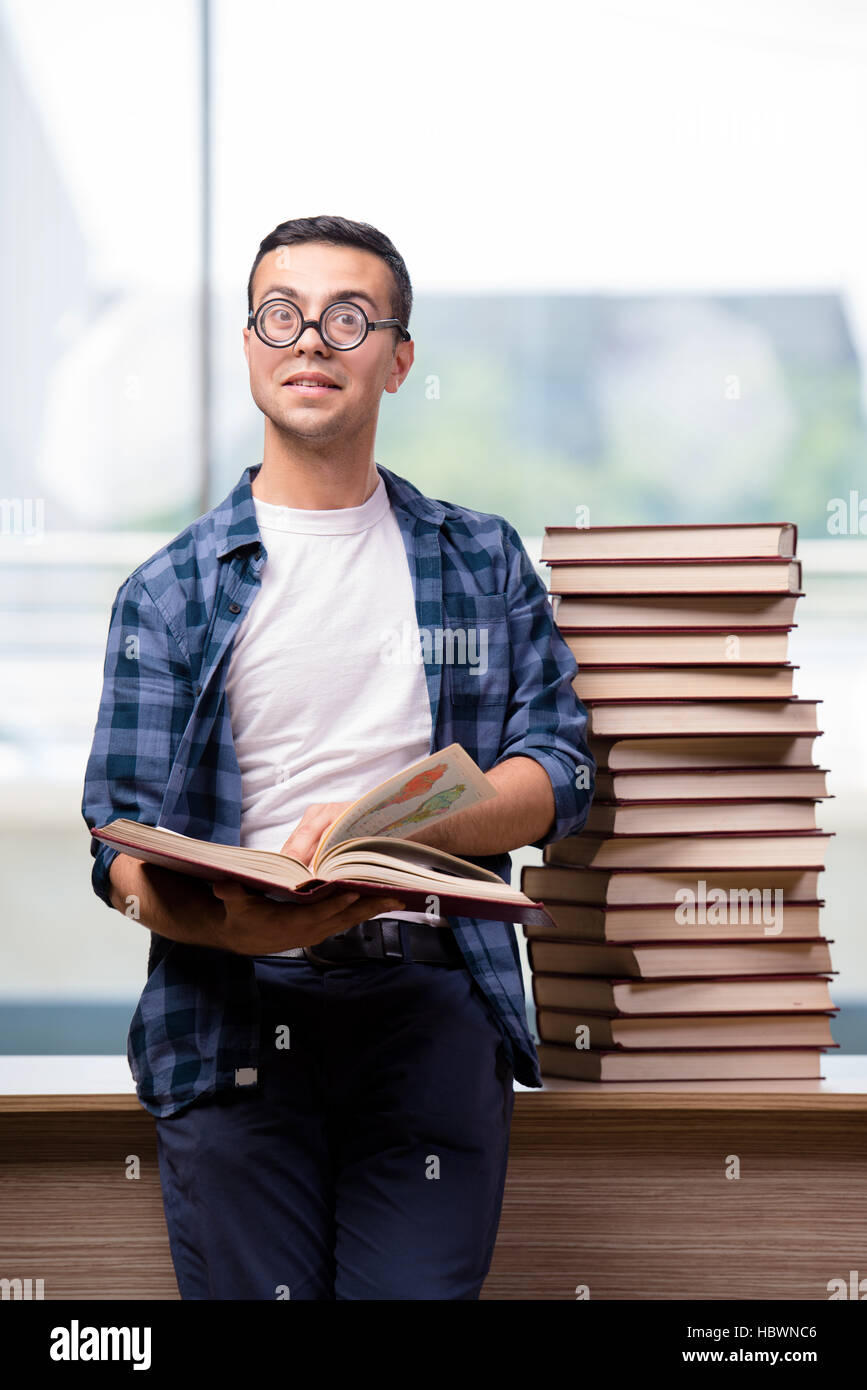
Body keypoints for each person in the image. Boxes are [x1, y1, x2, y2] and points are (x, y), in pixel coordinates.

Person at [82, 213, 594, 1300]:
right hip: (229, 1016)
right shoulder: (167, 592)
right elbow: (116, 846)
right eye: (283, 314)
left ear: (398, 358)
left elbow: (558, 769)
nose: (311, 339)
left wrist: (412, 826)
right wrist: (233, 921)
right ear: (251, 345)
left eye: (348, 318)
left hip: (430, 1009)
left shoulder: (480, 557)